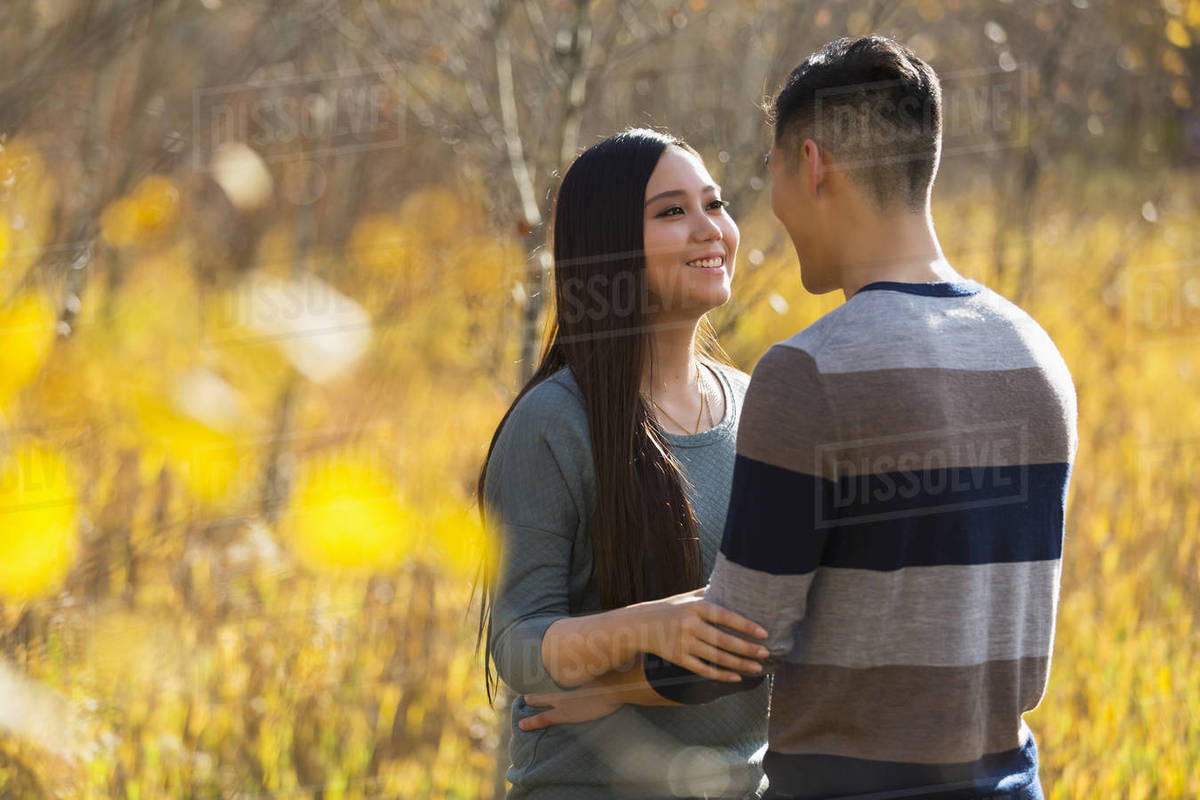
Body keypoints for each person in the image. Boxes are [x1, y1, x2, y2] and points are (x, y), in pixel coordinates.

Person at [520, 37, 1078, 800]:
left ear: (811, 165)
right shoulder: (1036, 355)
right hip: (1008, 779)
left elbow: (745, 641)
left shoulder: (805, 373)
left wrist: (614, 690)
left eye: (763, 178)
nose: (758, 215)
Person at [476, 128, 773, 799]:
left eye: (714, 204)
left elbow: (781, 628)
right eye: (672, 212)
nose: (710, 229)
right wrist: (649, 626)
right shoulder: (552, 425)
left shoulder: (759, 409)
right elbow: (519, 646)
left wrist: (621, 686)